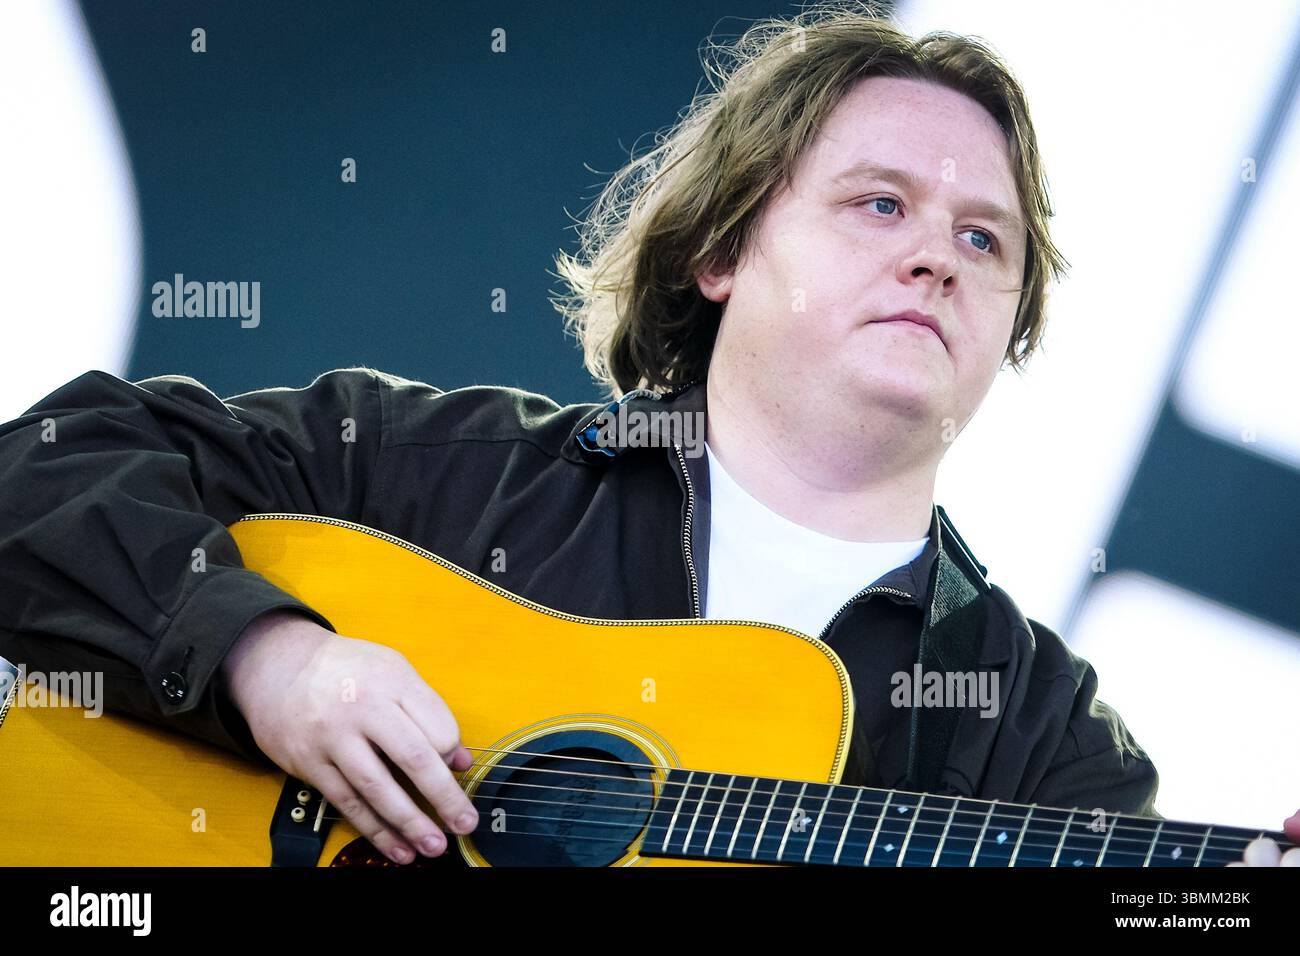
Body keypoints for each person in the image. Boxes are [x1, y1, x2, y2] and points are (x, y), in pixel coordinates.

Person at [0, 3, 1295, 867]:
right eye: (879, 202)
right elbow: (42, 471)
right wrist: (269, 664)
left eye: (982, 239)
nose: (935, 259)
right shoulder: (436, 479)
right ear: (725, 248)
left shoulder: (1043, 749)